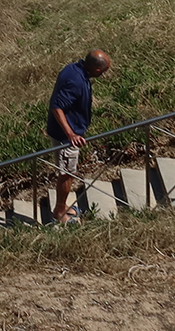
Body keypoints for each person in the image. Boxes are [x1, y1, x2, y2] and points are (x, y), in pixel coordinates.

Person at [47, 49, 112, 223]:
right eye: (103, 72)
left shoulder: (73, 69)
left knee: (68, 171)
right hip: (65, 137)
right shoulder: (76, 81)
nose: (103, 75)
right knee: (67, 172)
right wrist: (71, 134)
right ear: (97, 70)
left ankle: (62, 206)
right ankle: (59, 212)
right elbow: (56, 106)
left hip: (66, 132)